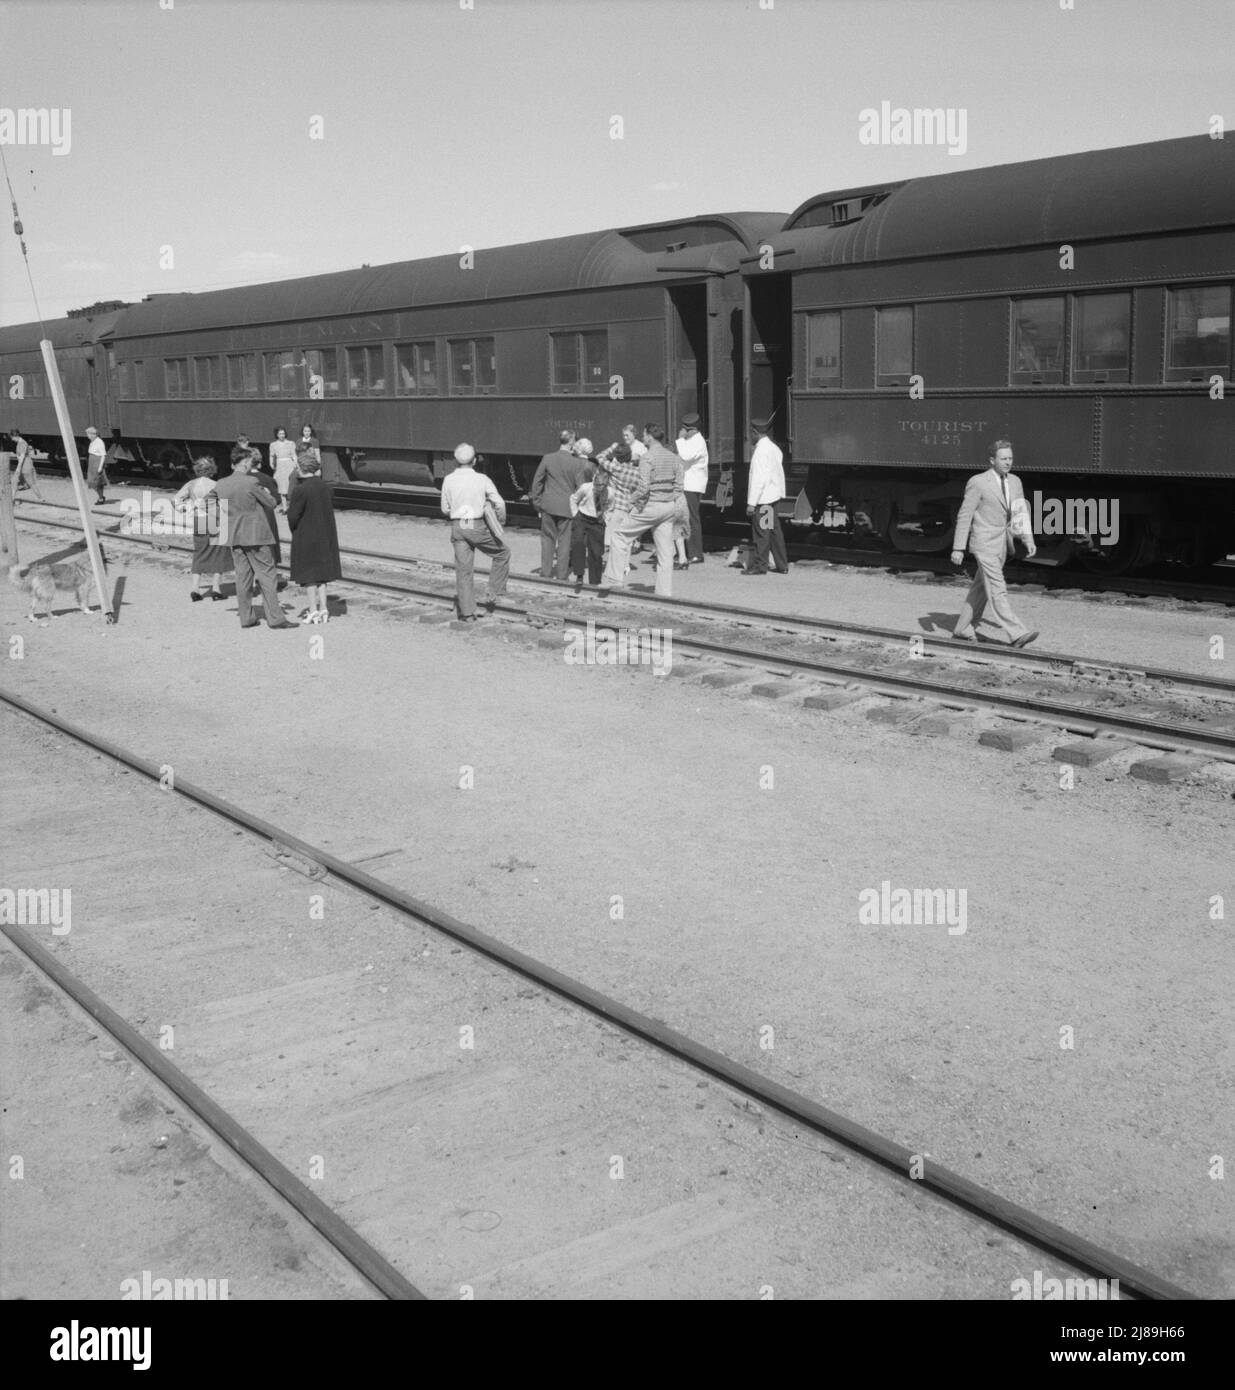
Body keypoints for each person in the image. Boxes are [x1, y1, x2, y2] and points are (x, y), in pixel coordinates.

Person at [950, 438, 1039, 647]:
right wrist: (958, 548)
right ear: (992, 460)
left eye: (1010, 458)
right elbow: (965, 515)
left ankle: (962, 628)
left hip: (1002, 544)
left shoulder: (1015, 481)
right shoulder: (978, 482)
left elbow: (1019, 512)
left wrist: (1028, 539)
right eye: (1003, 458)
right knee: (997, 588)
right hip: (984, 543)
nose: (1008, 462)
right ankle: (1017, 633)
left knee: (981, 588)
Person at [213, 448, 296, 629]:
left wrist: (225, 517)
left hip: (235, 537)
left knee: (242, 578)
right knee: (267, 577)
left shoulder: (221, 483)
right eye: (250, 462)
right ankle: (275, 619)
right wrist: (265, 491)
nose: (251, 464)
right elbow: (272, 502)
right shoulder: (251, 482)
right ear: (244, 463)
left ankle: (247, 618)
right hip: (257, 536)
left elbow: (206, 503)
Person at [601, 424, 683, 597]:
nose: (643, 438)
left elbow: (644, 487)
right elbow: (679, 486)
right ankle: (664, 592)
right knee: (665, 551)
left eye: (645, 435)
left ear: (650, 437)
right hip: (669, 507)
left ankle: (614, 580)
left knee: (619, 536)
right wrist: (670, 500)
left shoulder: (647, 457)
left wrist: (631, 502)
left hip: (651, 506)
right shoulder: (673, 457)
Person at [440, 442, 510, 621]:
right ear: (475, 460)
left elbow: (445, 509)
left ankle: (467, 613)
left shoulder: (448, 479)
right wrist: (499, 520)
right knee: (502, 553)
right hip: (476, 526)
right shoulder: (482, 479)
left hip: (457, 527)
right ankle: (493, 592)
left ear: (455, 460)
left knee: (463, 571)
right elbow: (500, 503)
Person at [287, 452, 342, 623]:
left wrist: (294, 529)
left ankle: (313, 610)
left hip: (307, 535)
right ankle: (324, 609)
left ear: (302, 468)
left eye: (297, 467)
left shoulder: (300, 490)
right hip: (325, 534)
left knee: (309, 575)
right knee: (322, 575)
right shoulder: (326, 487)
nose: (295, 469)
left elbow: (293, 516)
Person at [173, 456, 232, 601]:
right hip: (215, 520)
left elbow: (175, 500)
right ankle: (216, 590)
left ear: (197, 470)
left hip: (199, 520)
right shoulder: (216, 484)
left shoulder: (191, 484)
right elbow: (224, 505)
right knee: (219, 553)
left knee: (199, 553)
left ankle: (195, 589)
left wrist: (186, 509)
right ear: (212, 470)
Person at [530, 432, 585, 580]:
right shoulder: (577, 463)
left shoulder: (547, 458)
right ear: (571, 442)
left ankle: (546, 573)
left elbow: (537, 483)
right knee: (564, 543)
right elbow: (581, 489)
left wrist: (537, 504)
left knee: (547, 540)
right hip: (567, 508)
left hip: (548, 506)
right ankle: (561, 576)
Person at [743, 417, 789, 576]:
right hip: (772, 498)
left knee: (762, 533)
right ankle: (782, 565)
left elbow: (758, 479)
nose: (751, 436)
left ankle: (760, 566)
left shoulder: (760, 452)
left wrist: (751, 503)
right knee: (774, 532)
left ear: (755, 432)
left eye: (751, 432)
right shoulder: (774, 448)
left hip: (763, 500)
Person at [594, 425, 644, 562]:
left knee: (614, 539)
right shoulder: (636, 473)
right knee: (626, 540)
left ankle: (614, 564)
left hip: (617, 508)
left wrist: (611, 448)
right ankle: (625, 564)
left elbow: (599, 457)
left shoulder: (615, 468)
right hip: (630, 509)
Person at [568, 442, 604, 585]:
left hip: (596, 517)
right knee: (579, 544)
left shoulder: (608, 493)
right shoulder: (589, 475)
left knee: (594, 550)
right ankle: (580, 575)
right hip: (582, 515)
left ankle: (594, 581)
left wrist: (606, 516)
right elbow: (574, 498)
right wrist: (575, 513)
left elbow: (611, 504)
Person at [676, 413, 708, 564]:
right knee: (685, 518)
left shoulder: (698, 441)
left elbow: (686, 456)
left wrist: (680, 439)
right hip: (688, 484)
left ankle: (696, 553)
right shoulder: (692, 440)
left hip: (692, 485)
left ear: (693, 430)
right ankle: (687, 551)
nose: (683, 432)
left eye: (685, 430)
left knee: (691, 519)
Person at [10, 428, 46, 502]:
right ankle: (11, 500)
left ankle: (41, 498)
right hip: (24, 465)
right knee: (14, 482)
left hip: (25, 466)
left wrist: (18, 468)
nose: (12, 439)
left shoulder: (23, 443)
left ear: (15, 436)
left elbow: (22, 457)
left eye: (12, 438)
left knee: (31, 483)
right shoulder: (21, 443)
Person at [269, 426, 298, 511]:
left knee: (290, 486)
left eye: (283, 433)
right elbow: (271, 455)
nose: (282, 435)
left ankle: (292, 508)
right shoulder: (273, 444)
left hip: (289, 465)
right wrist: (271, 464)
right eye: (280, 433)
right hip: (280, 466)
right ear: (277, 435)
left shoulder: (291, 443)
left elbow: (294, 454)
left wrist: (296, 463)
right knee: (281, 487)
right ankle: (285, 508)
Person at [84, 426, 108, 505]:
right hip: (92, 464)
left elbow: (103, 455)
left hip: (96, 464)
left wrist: (100, 467)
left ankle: (101, 498)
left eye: (88, 434)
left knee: (96, 482)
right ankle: (101, 497)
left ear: (92, 434)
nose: (87, 436)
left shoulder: (99, 442)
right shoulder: (93, 441)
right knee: (93, 482)